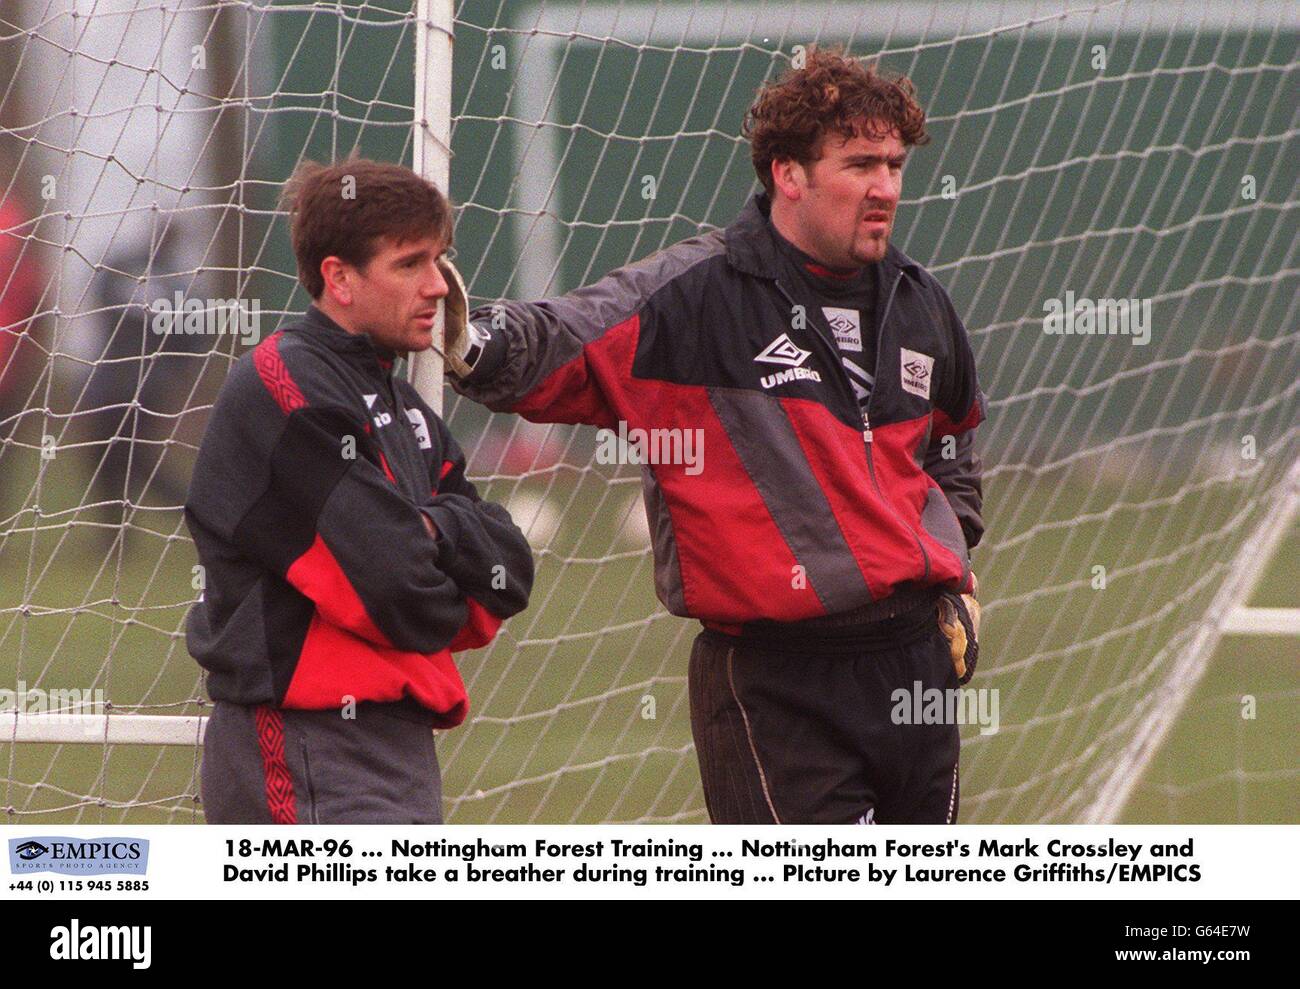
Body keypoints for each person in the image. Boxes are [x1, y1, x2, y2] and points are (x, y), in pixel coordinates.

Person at [443, 48, 985, 824]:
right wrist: (471, 342)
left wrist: (951, 558)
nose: (886, 188)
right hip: (778, 680)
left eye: (895, 165)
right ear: (788, 174)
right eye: (861, 163)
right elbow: (562, 337)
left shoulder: (920, 302)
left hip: (915, 669)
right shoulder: (693, 297)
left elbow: (958, 436)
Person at [184, 159, 533, 824]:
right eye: (409, 264)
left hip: (395, 747)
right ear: (338, 277)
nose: (438, 285)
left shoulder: (403, 406)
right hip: (308, 746)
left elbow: (508, 571)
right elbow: (405, 594)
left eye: (439, 259)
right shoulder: (284, 384)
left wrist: (433, 530)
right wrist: (438, 543)